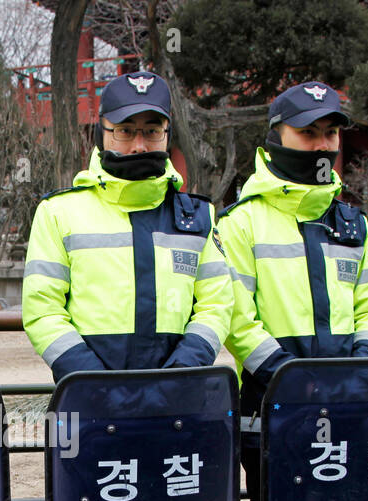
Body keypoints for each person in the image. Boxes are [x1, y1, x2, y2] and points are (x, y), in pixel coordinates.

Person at [215, 81, 368, 501]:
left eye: (330, 133)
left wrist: (363, 365)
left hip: (352, 404)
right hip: (274, 408)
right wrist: (294, 378)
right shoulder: (240, 222)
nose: (321, 145)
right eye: (308, 132)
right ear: (276, 136)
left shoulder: (350, 222)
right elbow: (236, 318)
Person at [21, 70, 236, 379]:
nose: (139, 146)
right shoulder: (58, 212)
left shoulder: (198, 216)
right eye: (124, 131)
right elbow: (42, 310)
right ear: (101, 134)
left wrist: (180, 372)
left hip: (176, 399)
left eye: (151, 131)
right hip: (90, 399)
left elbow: (216, 303)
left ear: (167, 133)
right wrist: (93, 381)